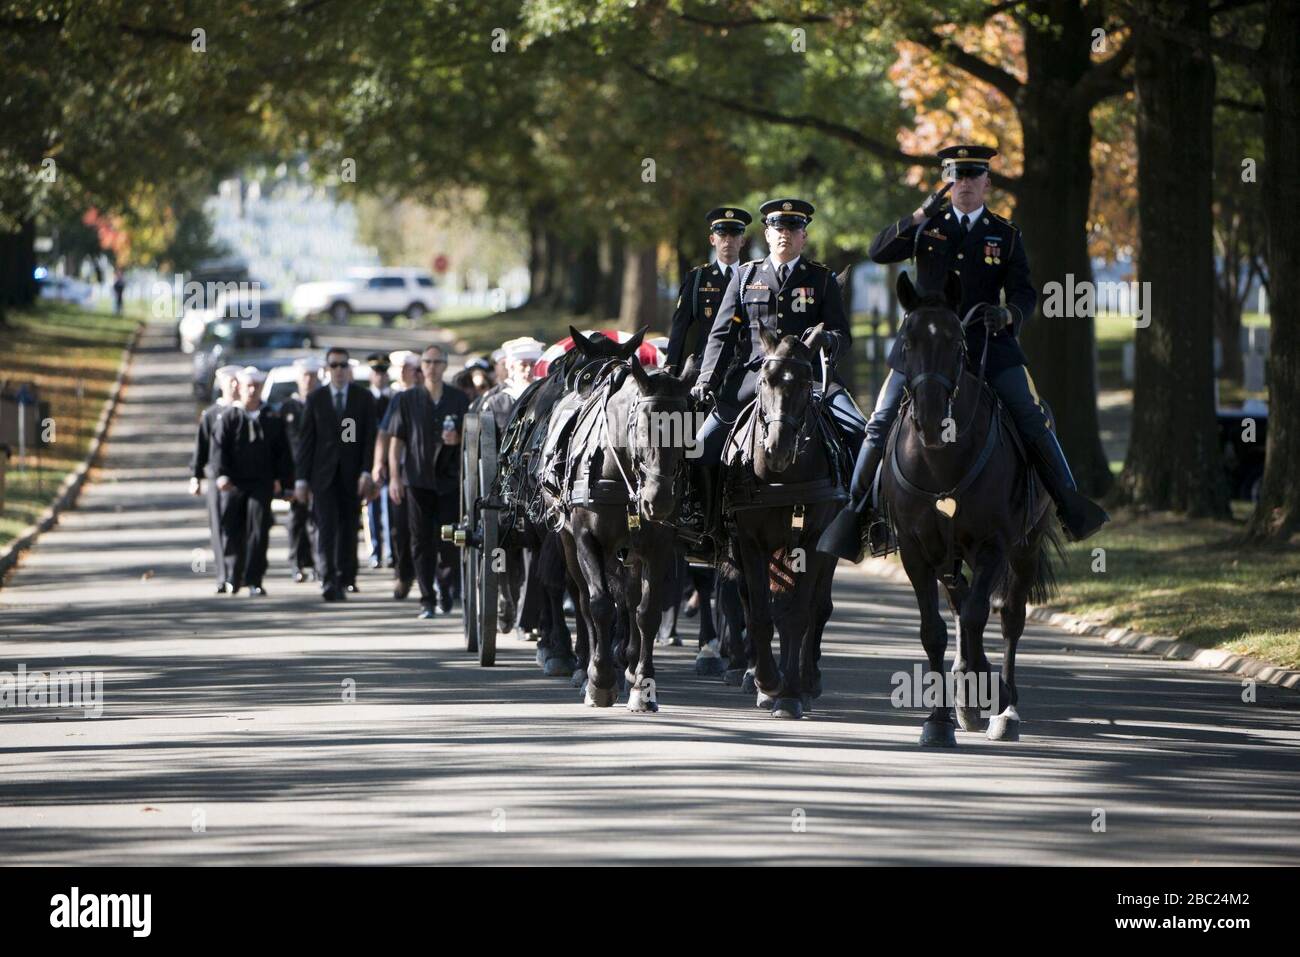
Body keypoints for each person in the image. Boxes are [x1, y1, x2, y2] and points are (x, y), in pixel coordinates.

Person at [820, 144, 1108, 559]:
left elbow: (1026, 293)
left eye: (974, 177)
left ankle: (1068, 504)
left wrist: (1008, 314)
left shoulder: (1005, 234)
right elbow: (878, 251)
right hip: (924, 351)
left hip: (987, 343)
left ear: (987, 184)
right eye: (958, 177)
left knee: (1031, 414)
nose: (966, 184)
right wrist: (919, 215)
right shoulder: (927, 227)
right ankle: (858, 514)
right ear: (948, 184)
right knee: (880, 421)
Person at [689, 198, 865, 545]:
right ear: (766, 234)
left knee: (860, 434)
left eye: (793, 228)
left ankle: (861, 523)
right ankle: (705, 523)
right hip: (757, 376)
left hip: (810, 377)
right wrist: (706, 379)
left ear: (804, 237)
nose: (785, 234)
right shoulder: (745, 276)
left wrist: (828, 339)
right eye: (777, 228)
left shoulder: (821, 278)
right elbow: (722, 334)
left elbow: (844, 336)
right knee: (701, 446)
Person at [386, 344, 470, 618]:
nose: (432, 367)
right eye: (427, 362)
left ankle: (445, 587)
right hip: (417, 479)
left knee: (448, 540)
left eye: (437, 362)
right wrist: (395, 478)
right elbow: (396, 441)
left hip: (448, 481)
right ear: (420, 367)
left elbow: (473, 440)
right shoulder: (407, 399)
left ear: (445, 366)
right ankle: (426, 598)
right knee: (420, 541)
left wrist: (458, 439)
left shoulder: (458, 399)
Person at [293, 347, 378, 602]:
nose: (339, 370)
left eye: (343, 365)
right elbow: (306, 442)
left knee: (348, 528)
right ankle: (328, 580)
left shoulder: (362, 398)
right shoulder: (316, 399)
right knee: (326, 527)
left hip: (352, 476)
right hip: (323, 476)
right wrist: (301, 479)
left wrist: (366, 471)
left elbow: (368, 439)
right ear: (327, 369)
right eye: (334, 366)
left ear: (349, 369)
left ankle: (346, 576)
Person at [211, 367, 293, 596]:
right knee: (232, 530)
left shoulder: (271, 417)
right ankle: (231, 576)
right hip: (234, 484)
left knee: (258, 530)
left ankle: (254, 578)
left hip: (261, 482)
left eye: (256, 386)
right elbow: (218, 449)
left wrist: (282, 480)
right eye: (248, 385)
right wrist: (222, 475)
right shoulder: (229, 416)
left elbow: (282, 452)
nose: (252, 390)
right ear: (241, 387)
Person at [666, 206, 752, 370]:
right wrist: (671, 365)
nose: (728, 240)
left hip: (744, 364)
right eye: (722, 234)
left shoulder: (753, 276)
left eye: (734, 234)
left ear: (742, 240)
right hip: (706, 363)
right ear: (712, 239)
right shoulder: (698, 278)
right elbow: (680, 325)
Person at [189, 364, 241, 592]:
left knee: (241, 528)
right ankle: (223, 575)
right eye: (230, 382)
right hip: (216, 480)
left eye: (237, 381)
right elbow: (201, 448)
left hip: (242, 479)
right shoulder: (211, 415)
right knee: (219, 528)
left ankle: (237, 572)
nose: (235, 386)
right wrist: (196, 475)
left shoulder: (244, 413)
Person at [374, 349, 421, 597]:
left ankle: (427, 577)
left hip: (423, 467)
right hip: (399, 468)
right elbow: (384, 432)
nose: (403, 372)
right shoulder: (394, 398)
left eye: (408, 367)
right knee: (399, 526)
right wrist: (377, 463)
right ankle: (403, 575)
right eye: (399, 368)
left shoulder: (425, 394)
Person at [279, 357, 321, 583]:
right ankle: (296, 563)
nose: (308, 380)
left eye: (312, 375)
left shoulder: (324, 404)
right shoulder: (288, 407)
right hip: (294, 474)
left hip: (318, 472)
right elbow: (281, 446)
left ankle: (317, 563)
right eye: (305, 375)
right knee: (296, 521)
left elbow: (343, 436)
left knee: (317, 521)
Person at [364, 353, 394, 570]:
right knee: (372, 510)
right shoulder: (362, 399)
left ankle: (392, 551)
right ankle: (375, 551)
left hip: (391, 461)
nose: (380, 376)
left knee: (390, 509)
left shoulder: (395, 398)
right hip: (369, 461)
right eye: (376, 372)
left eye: (383, 372)